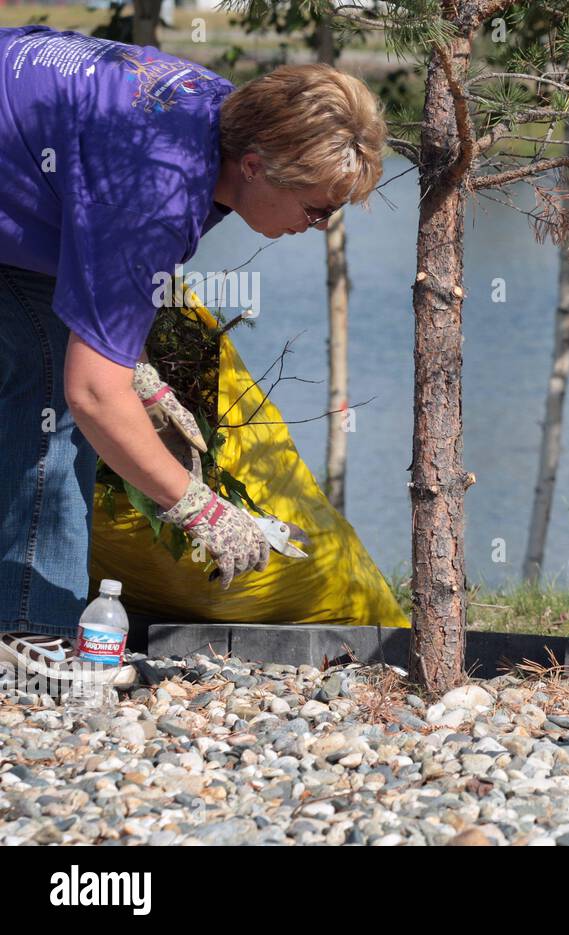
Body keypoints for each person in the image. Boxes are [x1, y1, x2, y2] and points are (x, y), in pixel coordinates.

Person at [0, 26, 387, 650]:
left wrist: (134, 369)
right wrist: (200, 510)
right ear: (257, 168)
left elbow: (103, 260)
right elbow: (94, 394)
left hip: (19, 173)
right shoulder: (156, 193)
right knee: (66, 407)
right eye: (316, 210)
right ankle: (34, 636)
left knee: (45, 389)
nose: (316, 227)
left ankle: (26, 630)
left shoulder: (226, 120)